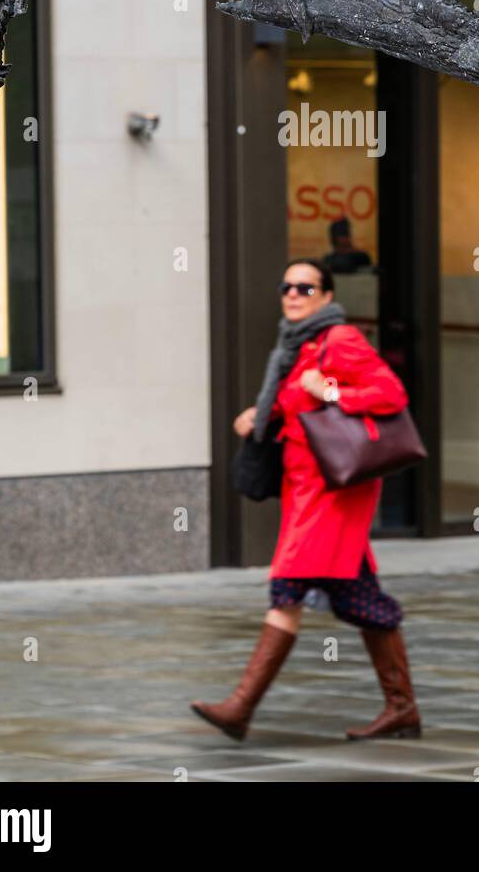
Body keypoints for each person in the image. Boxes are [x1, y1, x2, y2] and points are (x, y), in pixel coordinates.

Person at [191, 259, 421, 743]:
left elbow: (390, 392)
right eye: (286, 286)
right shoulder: (296, 345)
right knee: (361, 598)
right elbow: (297, 401)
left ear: (325, 296)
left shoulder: (340, 339)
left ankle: (240, 708)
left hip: (334, 491)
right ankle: (402, 708)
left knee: (288, 586)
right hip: (308, 491)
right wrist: (261, 414)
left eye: (305, 287)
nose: (293, 294)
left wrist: (334, 388)